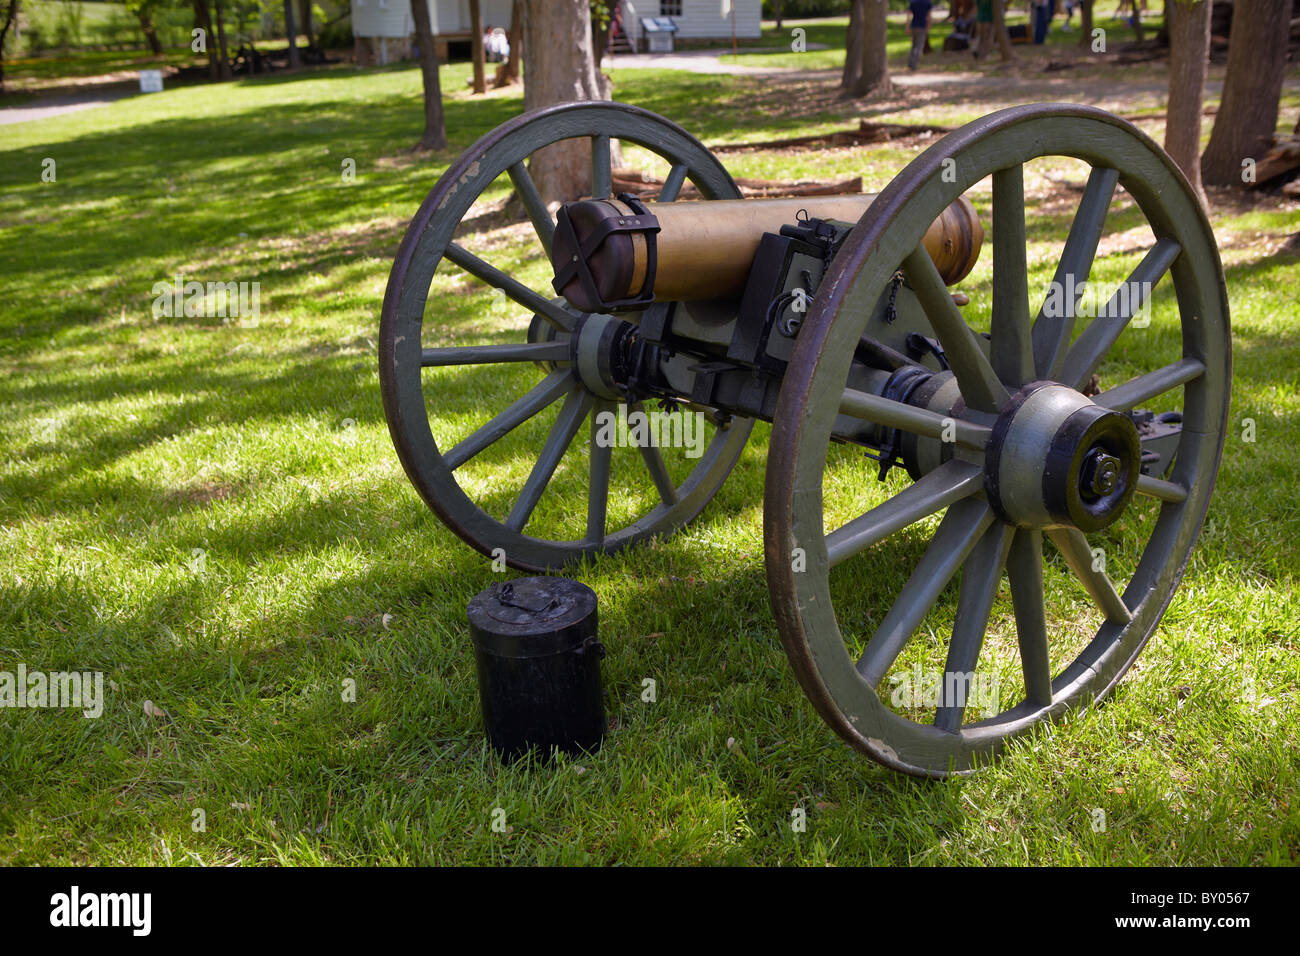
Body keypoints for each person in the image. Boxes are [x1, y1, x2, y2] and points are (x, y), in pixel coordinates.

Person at [908, 0, 933, 70]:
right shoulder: (927, 2)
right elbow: (929, 15)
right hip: (922, 26)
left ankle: (910, 62)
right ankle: (913, 63)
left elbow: (909, 15)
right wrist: (929, 25)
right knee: (919, 46)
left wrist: (907, 27)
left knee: (914, 45)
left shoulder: (913, 2)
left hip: (914, 25)